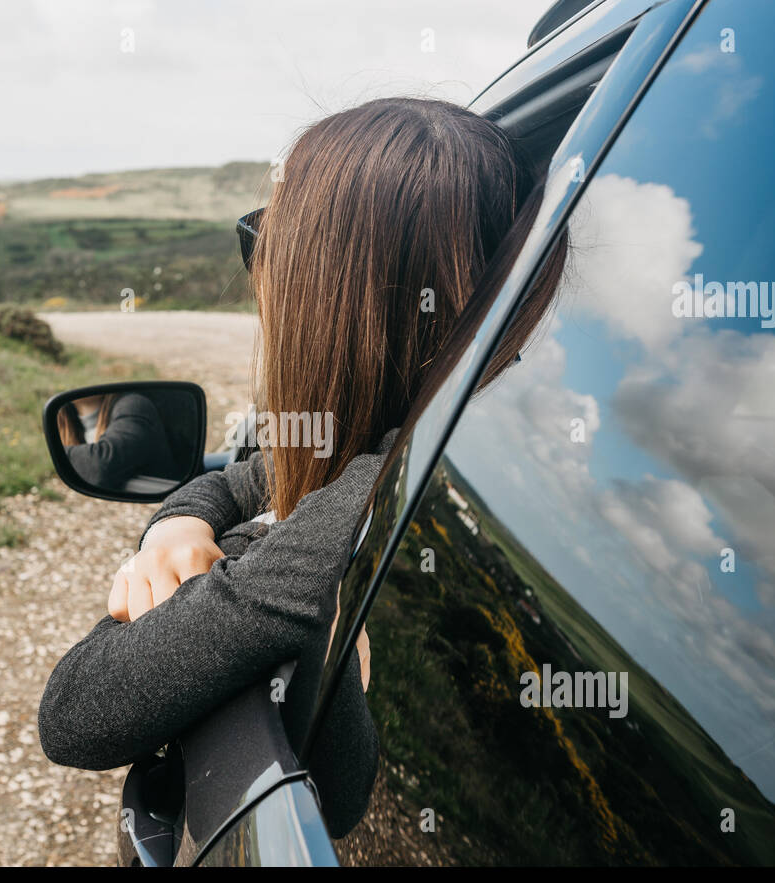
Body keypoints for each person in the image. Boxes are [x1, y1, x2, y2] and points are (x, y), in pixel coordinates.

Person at [38, 96, 568, 838]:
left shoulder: (352, 513)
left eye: (266, 244)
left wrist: (241, 556)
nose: (257, 265)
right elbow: (249, 473)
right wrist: (179, 523)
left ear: (326, 299)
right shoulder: (398, 437)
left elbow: (74, 712)